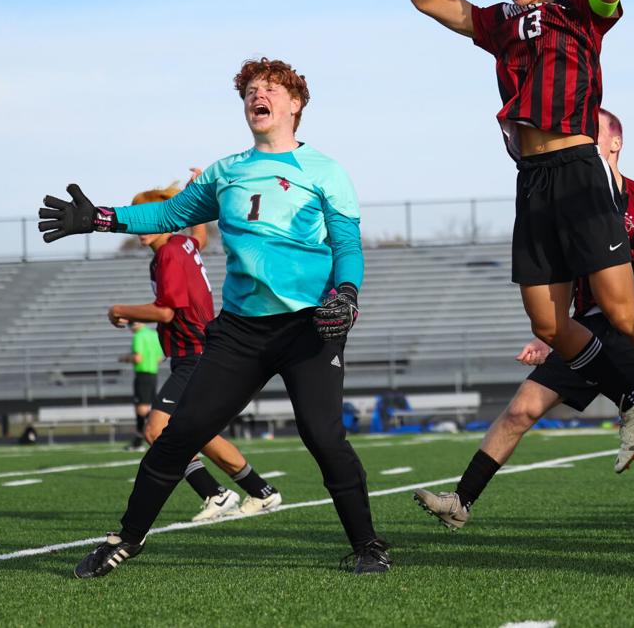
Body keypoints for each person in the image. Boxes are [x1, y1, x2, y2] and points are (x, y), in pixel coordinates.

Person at [38, 57, 390, 577]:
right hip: (241, 330)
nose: (256, 95)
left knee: (322, 436)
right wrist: (99, 218)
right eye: (249, 89)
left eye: (269, 88)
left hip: (309, 327)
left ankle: (368, 546)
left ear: (295, 104)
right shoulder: (226, 171)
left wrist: (347, 294)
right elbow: (167, 215)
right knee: (181, 433)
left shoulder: (326, 171)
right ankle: (125, 539)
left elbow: (346, 245)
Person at [411, 0, 634, 480]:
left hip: (577, 168)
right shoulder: (496, 24)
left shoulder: (577, 11)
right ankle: (631, 395)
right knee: (547, 324)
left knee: (624, 314)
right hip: (532, 178)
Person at [414, 110, 634, 541]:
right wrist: (550, 335)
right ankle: (461, 501)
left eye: (587, 132)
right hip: (587, 331)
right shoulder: (566, 204)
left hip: (631, 328)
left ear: (614, 143)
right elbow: (556, 288)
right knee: (521, 409)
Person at [107, 183, 282, 521]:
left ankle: (215, 493)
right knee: (198, 431)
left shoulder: (169, 253)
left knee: (156, 430)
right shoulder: (183, 243)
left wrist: (118, 308)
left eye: (147, 219)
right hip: (201, 348)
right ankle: (262, 491)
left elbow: (166, 311)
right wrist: (198, 192)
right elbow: (199, 237)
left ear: (165, 218)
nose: (140, 227)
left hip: (194, 352)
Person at [119, 321, 162, 449]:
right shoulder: (154, 335)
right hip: (153, 373)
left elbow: (138, 358)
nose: (130, 329)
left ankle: (168, 424)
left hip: (142, 374)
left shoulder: (138, 336)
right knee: (143, 407)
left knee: (142, 409)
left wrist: (125, 358)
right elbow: (159, 358)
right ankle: (137, 441)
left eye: (130, 325)